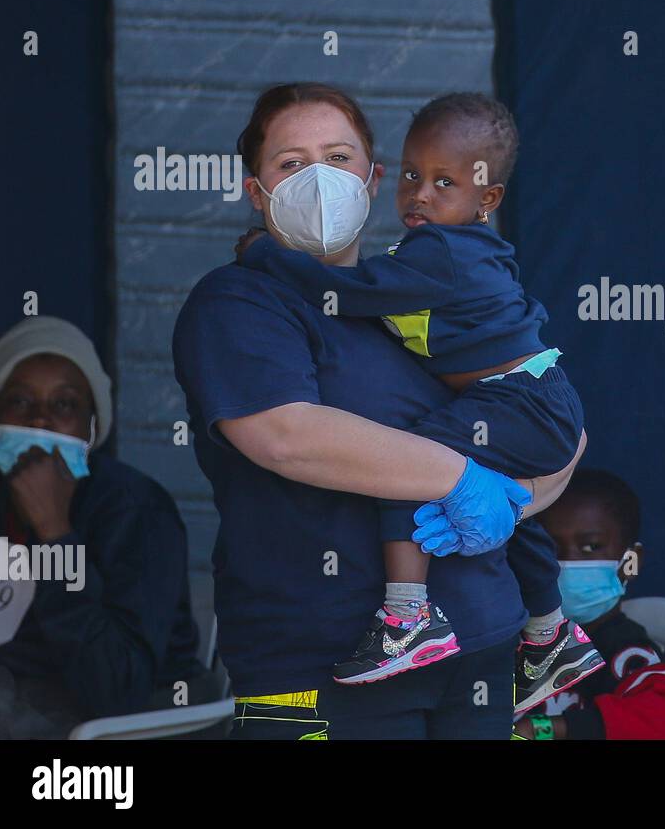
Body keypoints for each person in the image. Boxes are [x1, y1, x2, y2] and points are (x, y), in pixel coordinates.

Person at [173, 82, 583, 739]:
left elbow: (554, 428)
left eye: (338, 158)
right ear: (257, 192)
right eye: (289, 163)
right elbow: (286, 436)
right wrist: (459, 480)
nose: (318, 178)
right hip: (321, 663)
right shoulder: (238, 303)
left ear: (371, 177)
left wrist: (511, 498)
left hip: (480, 648)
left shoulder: (418, 297)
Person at [0, 316, 207, 738]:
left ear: (92, 426)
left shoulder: (136, 512)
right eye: (20, 402)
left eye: (64, 405)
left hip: (129, 723)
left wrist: (54, 533)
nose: (41, 423)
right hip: (13, 704)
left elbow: (118, 691)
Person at [514, 469, 665, 739]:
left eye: (590, 547)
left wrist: (544, 729)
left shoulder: (628, 655)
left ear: (630, 563)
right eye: (551, 548)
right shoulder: (508, 637)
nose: (566, 563)